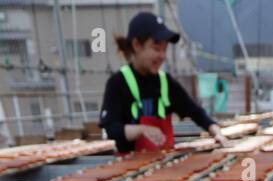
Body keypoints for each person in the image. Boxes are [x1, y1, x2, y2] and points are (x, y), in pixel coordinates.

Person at [99, 11, 230, 153]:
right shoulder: (117, 83)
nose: (162, 56)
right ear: (137, 45)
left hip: (163, 162)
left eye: (164, 50)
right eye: (156, 49)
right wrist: (141, 130)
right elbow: (111, 129)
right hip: (129, 166)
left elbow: (195, 112)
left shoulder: (165, 82)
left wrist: (216, 131)